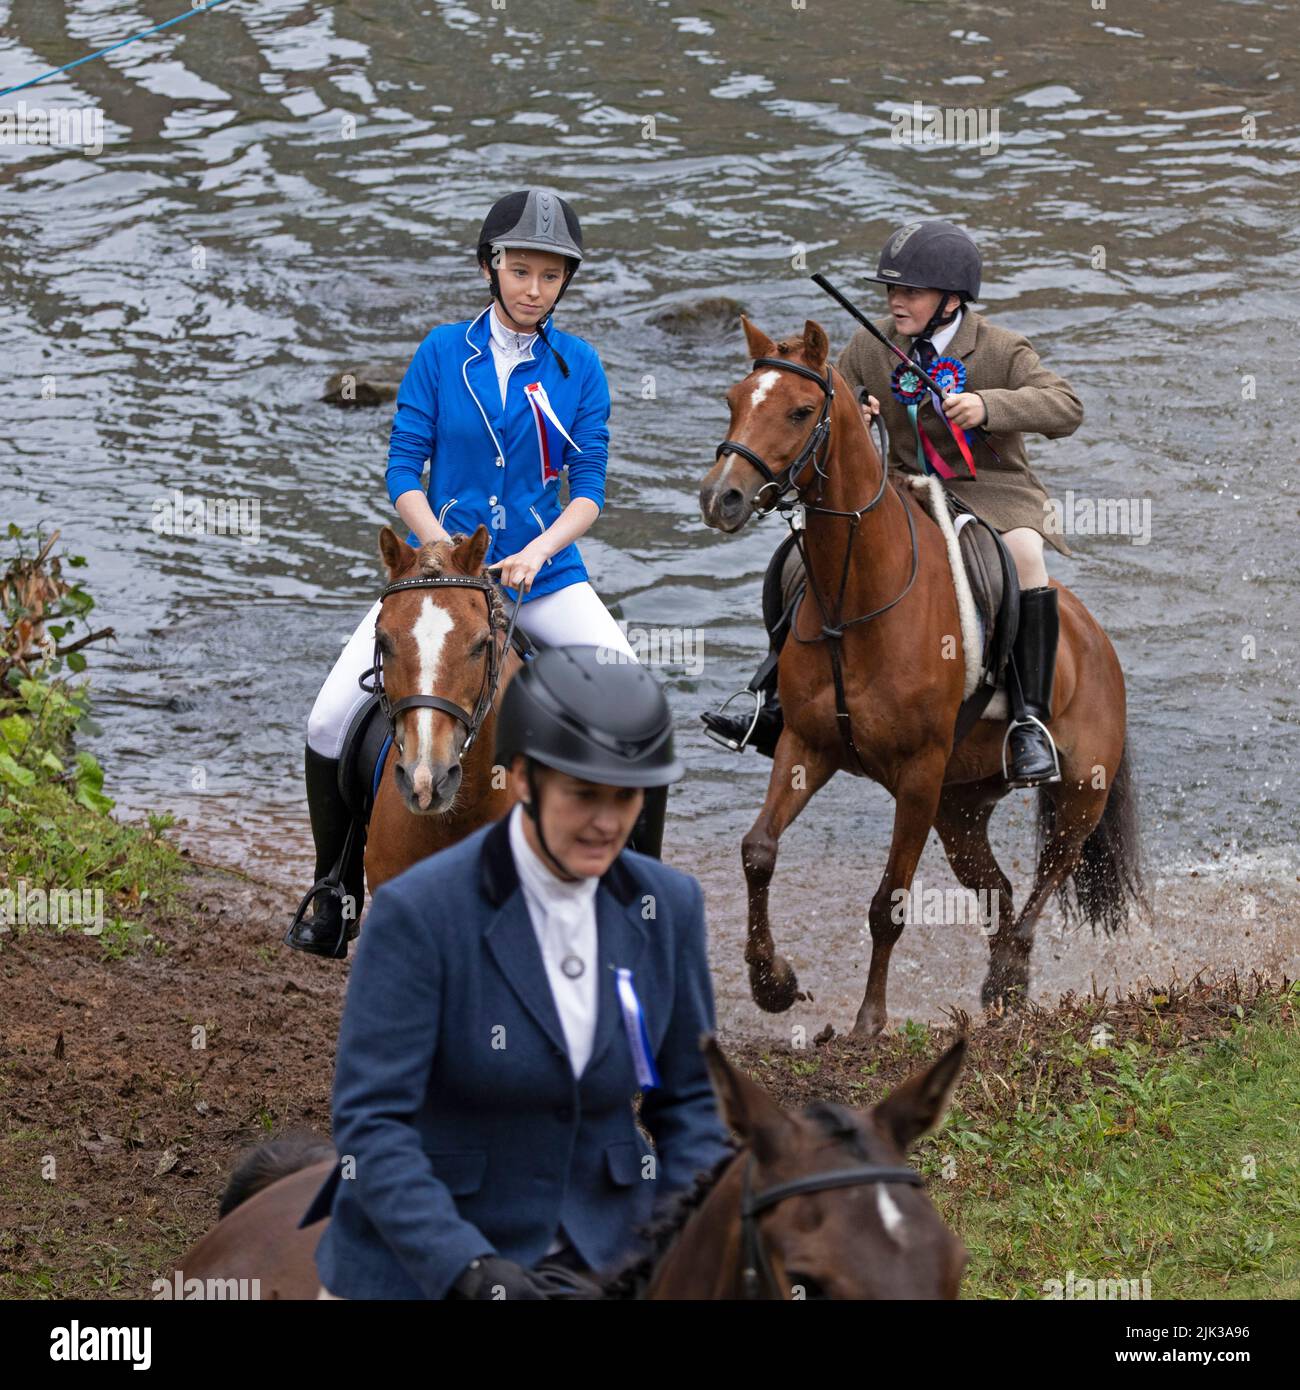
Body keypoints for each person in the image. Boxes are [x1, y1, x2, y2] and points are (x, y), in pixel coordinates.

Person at [289, 188, 667, 959]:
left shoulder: (579, 366)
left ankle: (635, 895)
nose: (534, 289)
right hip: (437, 575)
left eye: (550, 277)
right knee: (329, 718)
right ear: (491, 268)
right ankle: (335, 887)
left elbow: (588, 488)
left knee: (637, 709)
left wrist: (535, 551)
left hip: (543, 573)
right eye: (521, 271)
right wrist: (437, 552)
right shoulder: (439, 354)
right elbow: (403, 468)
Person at [299, 646, 733, 1299]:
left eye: (628, 797)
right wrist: (466, 1269)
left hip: (609, 1245)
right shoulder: (419, 912)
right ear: (525, 780)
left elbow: (690, 1103)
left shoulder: (668, 907)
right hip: (431, 1257)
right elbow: (373, 1124)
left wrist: (673, 1239)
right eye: (584, 795)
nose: (609, 823)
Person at [702, 219, 1082, 787]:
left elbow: (1065, 406)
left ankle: (1029, 719)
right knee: (795, 551)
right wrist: (860, 410)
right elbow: (834, 400)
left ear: (951, 300)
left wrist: (988, 406)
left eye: (911, 292)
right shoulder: (872, 344)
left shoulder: (1002, 349)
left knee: (1026, 556)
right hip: (902, 489)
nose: (896, 302)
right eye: (891, 291)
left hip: (990, 492)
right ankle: (775, 695)